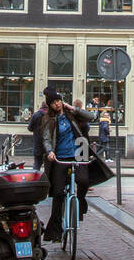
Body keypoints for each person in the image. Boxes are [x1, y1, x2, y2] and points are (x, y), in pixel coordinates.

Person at [38, 86, 99, 242]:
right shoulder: (48, 119)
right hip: (60, 156)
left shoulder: (72, 114)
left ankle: (79, 205)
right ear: (50, 105)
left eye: (58, 101)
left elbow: (91, 116)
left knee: (84, 181)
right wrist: (50, 151)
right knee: (58, 193)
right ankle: (56, 232)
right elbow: (46, 138)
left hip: (80, 151)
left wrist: (74, 108)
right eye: (53, 103)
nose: (57, 104)